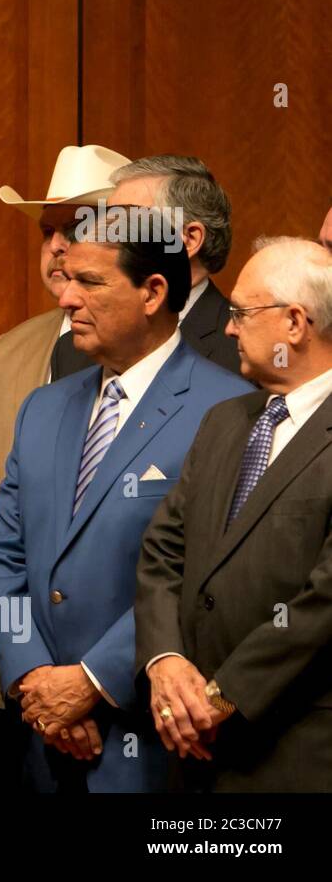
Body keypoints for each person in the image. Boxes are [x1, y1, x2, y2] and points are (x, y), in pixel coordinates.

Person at [0, 204, 251, 791]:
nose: (66, 299)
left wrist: (91, 682)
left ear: (153, 292)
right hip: (41, 739)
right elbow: (1, 558)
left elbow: (209, 578)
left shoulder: (230, 412)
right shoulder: (43, 407)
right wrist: (34, 681)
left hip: (150, 743)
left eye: (89, 282)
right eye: (66, 278)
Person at [0, 144, 130, 784]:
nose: (56, 246)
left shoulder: (166, 352)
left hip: (119, 662)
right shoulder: (14, 346)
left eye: (75, 228)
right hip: (15, 645)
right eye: (48, 230)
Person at [137, 237, 332, 791]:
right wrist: (165, 660)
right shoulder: (225, 421)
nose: (227, 327)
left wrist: (223, 696)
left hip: (295, 751)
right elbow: (161, 553)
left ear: (295, 323)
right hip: (191, 749)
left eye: (242, 313)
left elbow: (324, 602)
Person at [107, 155, 241, 373]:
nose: (106, 239)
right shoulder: (74, 346)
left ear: (188, 239)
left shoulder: (240, 346)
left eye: (129, 223)